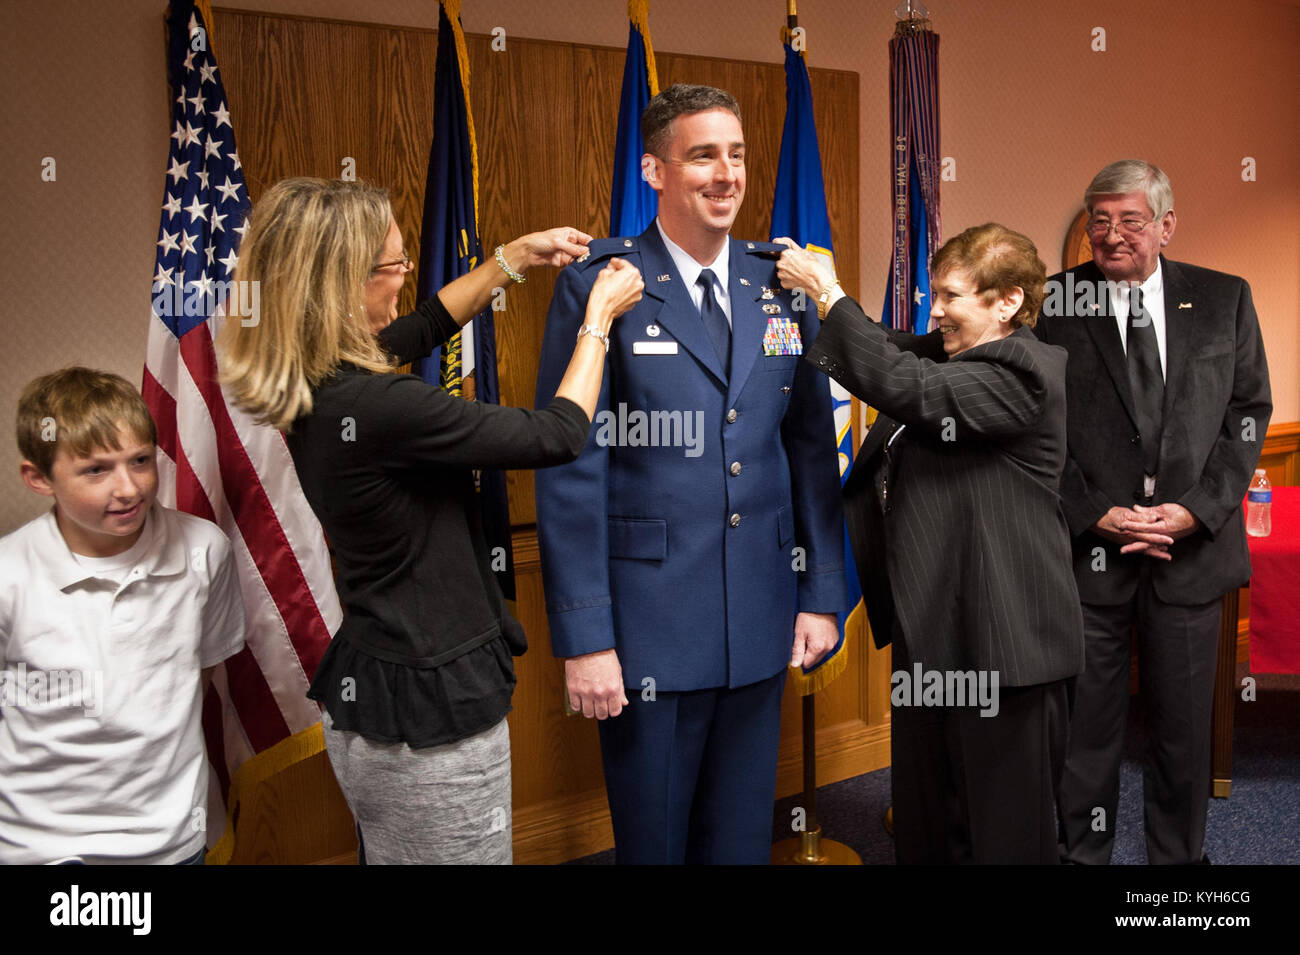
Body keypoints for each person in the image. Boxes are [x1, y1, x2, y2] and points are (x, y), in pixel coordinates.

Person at [217, 177, 642, 864]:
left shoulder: (315, 374)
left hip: (380, 688)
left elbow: (427, 323)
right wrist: (599, 320)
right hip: (429, 715)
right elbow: (556, 434)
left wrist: (514, 256)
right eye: (393, 265)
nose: (406, 274)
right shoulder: (382, 406)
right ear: (342, 288)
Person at [533, 84, 846, 865]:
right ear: (654, 171)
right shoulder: (604, 284)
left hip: (762, 613)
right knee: (657, 845)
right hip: (650, 632)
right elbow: (572, 466)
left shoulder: (780, 281)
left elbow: (810, 447)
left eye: (736, 154)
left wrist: (822, 594)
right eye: (703, 154)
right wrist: (587, 637)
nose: (726, 173)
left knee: (740, 843)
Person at [779, 223, 1085, 863]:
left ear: (1007, 301)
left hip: (1006, 647)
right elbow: (888, 351)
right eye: (932, 294)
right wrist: (815, 298)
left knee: (1004, 836)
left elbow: (913, 390)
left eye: (950, 296)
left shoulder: (1027, 371)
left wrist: (830, 293)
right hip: (935, 633)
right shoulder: (953, 352)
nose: (934, 310)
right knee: (927, 823)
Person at [1035, 160, 1271, 865]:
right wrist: (1095, 512)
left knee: (1182, 730)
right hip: (1089, 554)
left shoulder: (1225, 298)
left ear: (1166, 226)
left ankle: (1176, 862)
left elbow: (1249, 414)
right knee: (1086, 727)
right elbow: (1035, 423)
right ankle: (1083, 852)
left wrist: (1196, 511)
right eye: (1099, 220)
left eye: (1130, 221)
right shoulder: (1053, 302)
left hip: (1191, 554)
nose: (1111, 235)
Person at [0, 367, 245, 864]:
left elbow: (201, 674)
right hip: (39, 848)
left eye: (140, 461)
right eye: (96, 470)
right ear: (39, 477)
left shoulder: (204, 550)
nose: (129, 487)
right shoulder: (9, 575)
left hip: (172, 842)